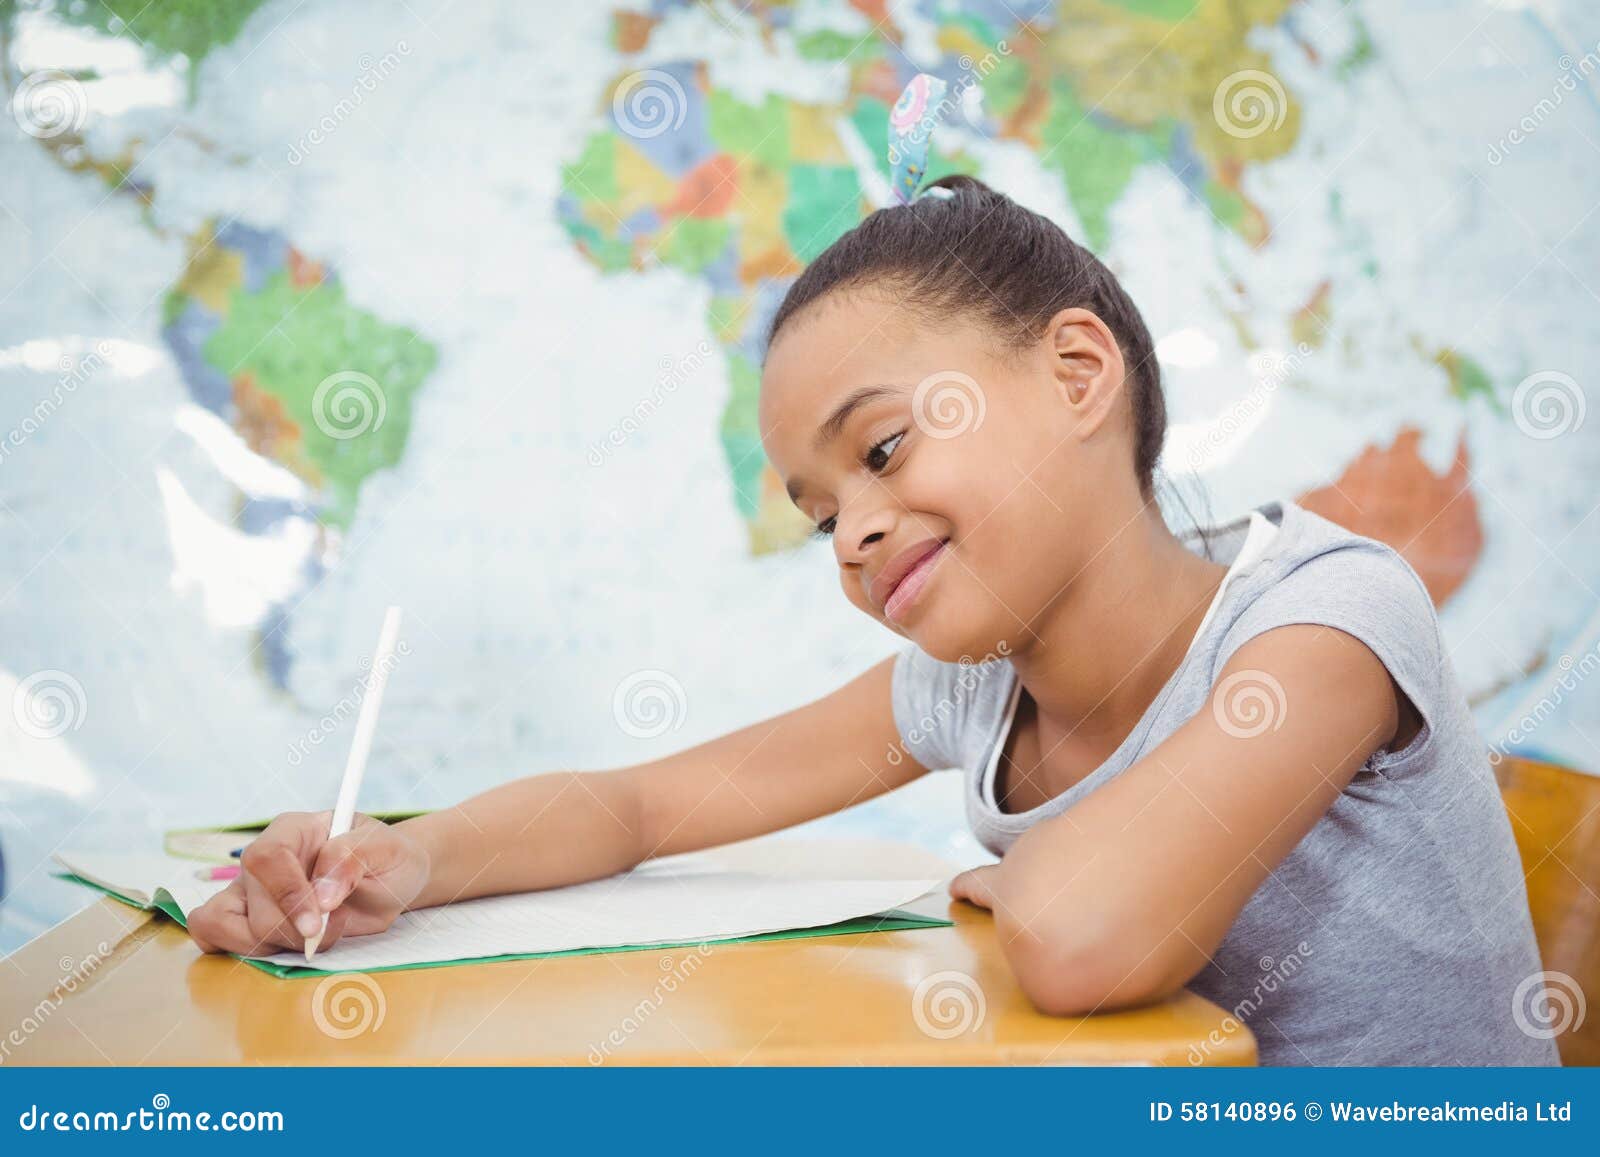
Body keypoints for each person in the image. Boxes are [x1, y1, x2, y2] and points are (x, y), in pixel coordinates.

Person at [188, 175, 1555, 1065]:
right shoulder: (972, 692)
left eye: (885, 452)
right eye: (817, 510)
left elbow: (1079, 941)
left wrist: (1029, 877)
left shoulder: (1328, 619)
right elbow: (642, 808)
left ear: (1080, 371)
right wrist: (400, 862)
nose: (850, 529)